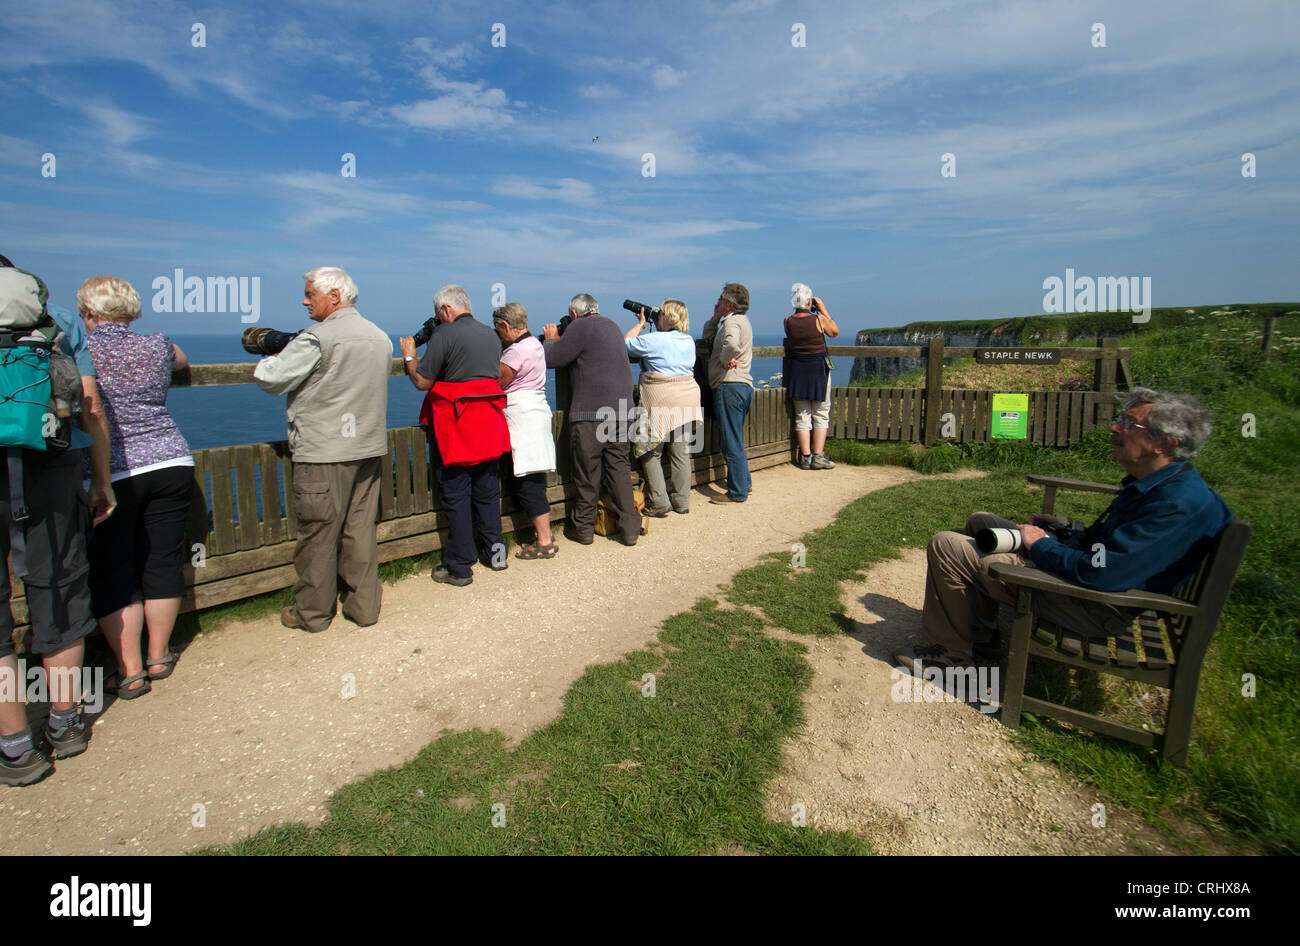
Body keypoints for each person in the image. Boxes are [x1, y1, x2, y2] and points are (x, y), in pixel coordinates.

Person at [893, 387, 1233, 674]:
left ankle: (954, 662)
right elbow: (1116, 549)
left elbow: (1102, 575)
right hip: (1095, 587)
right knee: (982, 522)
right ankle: (983, 634)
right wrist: (1068, 533)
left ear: (1165, 444)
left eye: (1130, 423)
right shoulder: (1168, 485)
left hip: (1095, 606)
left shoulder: (1175, 505)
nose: (1115, 428)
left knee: (947, 547)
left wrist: (1040, 545)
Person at [0, 257, 115, 785]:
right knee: (59, 587)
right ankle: (65, 724)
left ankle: (16, 745)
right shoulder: (58, 320)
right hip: (49, 469)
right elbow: (88, 404)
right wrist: (102, 478)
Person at [255, 267, 392, 632]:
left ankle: (312, 613)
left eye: (309, 293)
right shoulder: (380, 337)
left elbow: (270, 378)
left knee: (318, 532)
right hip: (368, 446)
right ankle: (364, 607)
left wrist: (271, 353)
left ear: (334, 296)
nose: (304, 300)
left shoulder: (317, 337)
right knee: (360, 529)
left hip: (324, 451)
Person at [79, 276, 194, 698]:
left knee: (115, 568)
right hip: (170, 460)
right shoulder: (156, 344)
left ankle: (129, 670)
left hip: (113, 472)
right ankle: (159, 654)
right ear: (131, 310)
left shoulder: (82, 351)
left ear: (88, 313)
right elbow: (181, 359)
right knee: (162, 559)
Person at [399, 285, 509, 586]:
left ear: (446, 310)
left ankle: (460, 566)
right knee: (488, 493)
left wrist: (410, 357)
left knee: (456, 496)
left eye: (439, 314)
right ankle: (496, 554)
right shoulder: (490, 334)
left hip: (457, 428)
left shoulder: (444, 334)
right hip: (489, 425)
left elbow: (422, 381)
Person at [543, 293, 642, 546]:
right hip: (622, 411)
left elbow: (552, 359)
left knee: (587, 474)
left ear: (574, 314)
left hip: (590, 414)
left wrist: (551, 339)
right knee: (619, 469)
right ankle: (629, 528)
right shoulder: (612, 326)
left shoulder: (579, 327)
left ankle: (584, 529)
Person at [625, 299, 702, 516]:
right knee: (680, 452)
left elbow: (625, 343)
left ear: (668, 318)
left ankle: (659, 501)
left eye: (660, 314)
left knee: (650, 450)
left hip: (661, 400)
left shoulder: (654, 340)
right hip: (687, 398)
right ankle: (682, 501)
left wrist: (641, 324)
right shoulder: (688, 341)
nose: (657, 316)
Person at [492, 303, 557, 559]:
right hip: (537, 411)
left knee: (527, 482)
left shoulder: (515, 352)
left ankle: (545, 541)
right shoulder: (535, 345)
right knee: (534, 480)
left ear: (506, 326)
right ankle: (546, 537)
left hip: (521, 416)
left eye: (499, 331)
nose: (498, 335)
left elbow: (499, 382)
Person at [701, 282, 754, 504]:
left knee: (730, 441)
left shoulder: (732, 322)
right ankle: (745, 483)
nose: (718, 301)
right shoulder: (741, 321)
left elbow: (730, 344)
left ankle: (737, 492)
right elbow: (708, 339)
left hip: (729, 385)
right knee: (735, 438)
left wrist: (723, 360)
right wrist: (714, 319)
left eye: (721, 298)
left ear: (729, 304)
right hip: (741, 386)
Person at [784, 283, 839, 470]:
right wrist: (823, 310)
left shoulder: (787, 321)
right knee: (821, 413)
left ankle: (805, 456)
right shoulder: (819, 320)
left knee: (802, 414)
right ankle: (818, 455)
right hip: (818, 370)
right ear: (810, 302)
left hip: (798, 370)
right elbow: (834, 332)